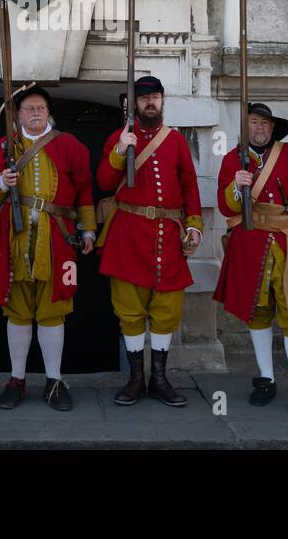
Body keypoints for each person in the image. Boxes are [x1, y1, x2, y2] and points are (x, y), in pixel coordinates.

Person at [0, 86, 96, 411]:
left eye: (40, 108)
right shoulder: (5, 146)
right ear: (19, 114)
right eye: (28, 109)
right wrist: (1, 183)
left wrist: (89, 230)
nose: (35, 113)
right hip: (15, 237)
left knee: (54, 310)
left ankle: (54, 382)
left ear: (48, 112)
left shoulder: (70, 146)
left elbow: (84, 192)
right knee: (18, 310)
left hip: (58, 239)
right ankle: (17, 379)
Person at [214, 103, 288, 418]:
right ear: (244, 126)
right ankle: (266, 379)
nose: (259, 128)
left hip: (286, 242)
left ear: (272, 127)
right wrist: (237, 185)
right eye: (252, 122)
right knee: (258, 313)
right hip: (249, 243)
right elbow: (226, 209)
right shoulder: (231, 159)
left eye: (264, 122)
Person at [96, 76, 202, 407]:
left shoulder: (175, 141)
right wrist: (119, 151)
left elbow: (189, 185)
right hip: (127, 234)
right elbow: (101, 180)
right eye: (144, 99)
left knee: (166, 308)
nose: (150, 103)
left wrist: (194, 224)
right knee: (129, 311)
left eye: (155, 97)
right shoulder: (119, 137)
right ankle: (135, 379)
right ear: (134, 104)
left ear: (162, 101)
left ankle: (159, 379)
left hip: (167, 235)